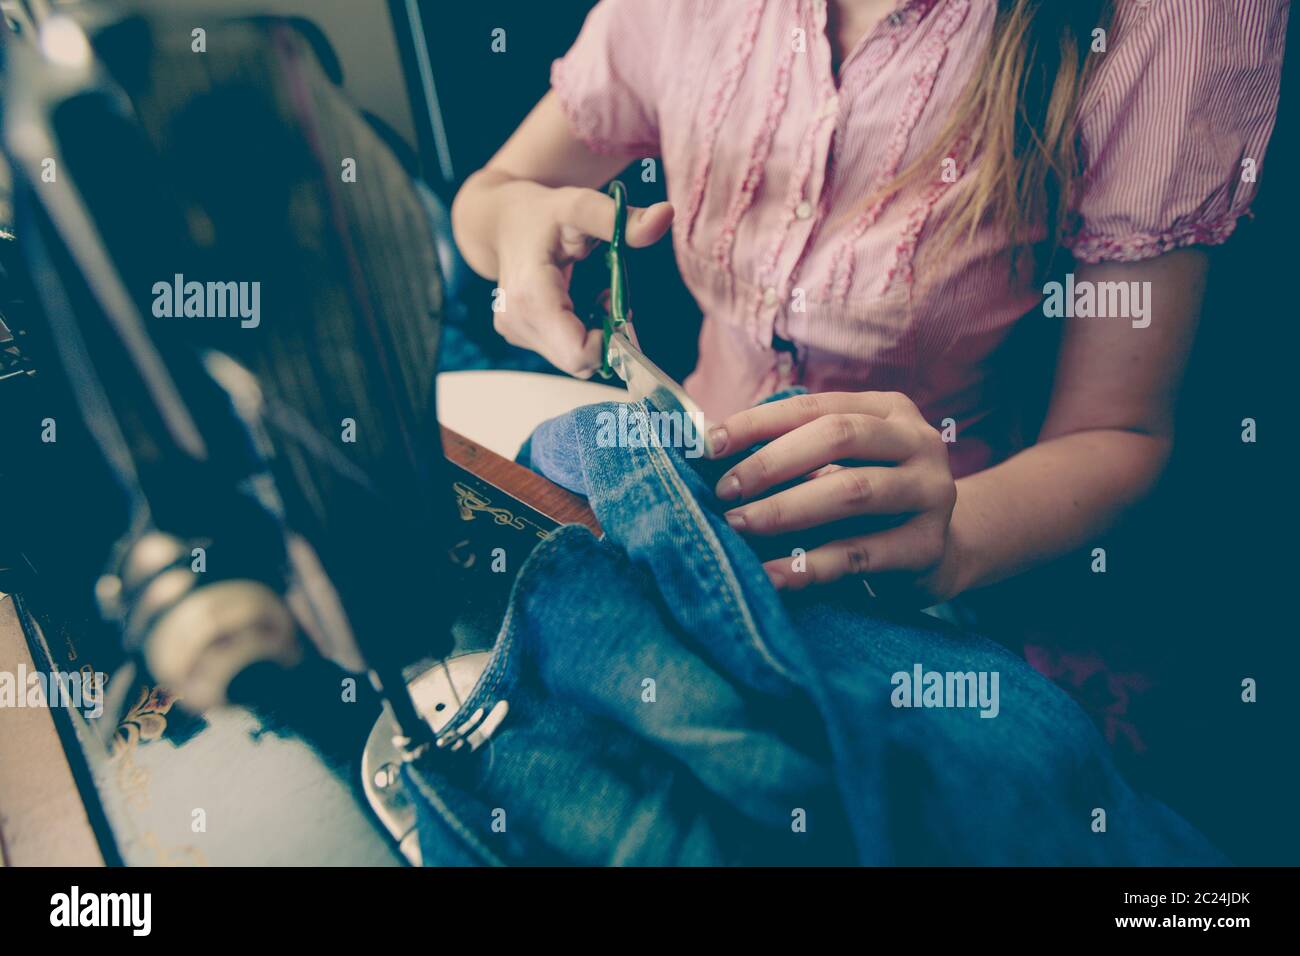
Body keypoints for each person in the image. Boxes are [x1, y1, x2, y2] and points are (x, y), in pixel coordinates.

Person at [451, 0, 1287, 604]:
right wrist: (514, 227)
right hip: (675, 491)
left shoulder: (1167, 18)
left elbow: (1119, 432)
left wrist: (951, 539)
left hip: (945, 567)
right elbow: (487, 200)